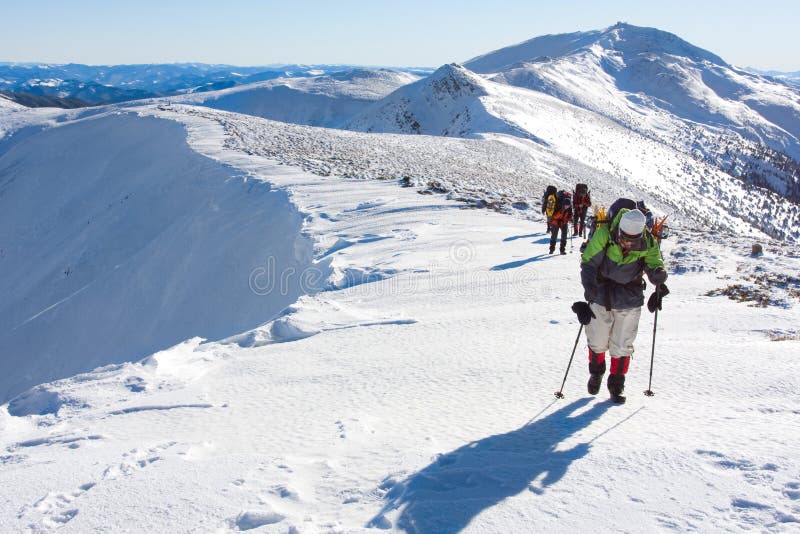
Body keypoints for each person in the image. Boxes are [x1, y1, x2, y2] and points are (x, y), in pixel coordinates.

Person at [571, 207, 668, 403]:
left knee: (623, 343)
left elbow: (653, 261)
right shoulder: (604, 235)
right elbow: (588, 262)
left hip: (629, 297)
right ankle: (596, 373)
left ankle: (616, 384)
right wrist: (589, 289)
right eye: (625, 238)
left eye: (633, 240)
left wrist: (658, 275)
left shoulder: (647, 241)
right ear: (619, 231)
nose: (628, 243)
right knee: (598, 339)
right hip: (601, 294)